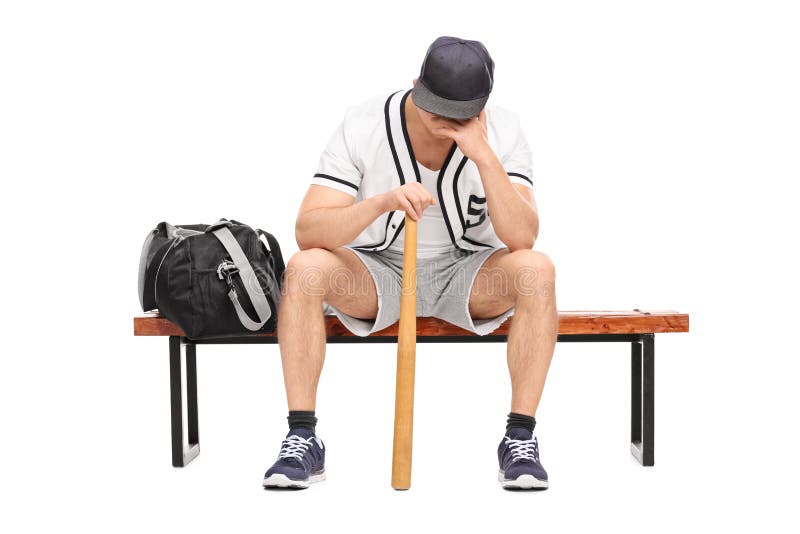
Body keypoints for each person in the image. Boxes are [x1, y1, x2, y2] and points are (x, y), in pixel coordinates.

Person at [263, 36, 557, 490]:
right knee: (304, 269)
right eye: (433, 105)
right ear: (415, 84)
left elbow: (522, 237)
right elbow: (308, 231)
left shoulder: (503, 132)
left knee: (537, 270)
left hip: (468, 272)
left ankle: (520, 438)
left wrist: (482, 154)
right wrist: (381, 203)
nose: (442, 119)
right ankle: (302, 435)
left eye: (456, 111)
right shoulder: (364, 123)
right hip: (378, 273)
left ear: (481, 107)